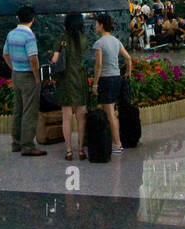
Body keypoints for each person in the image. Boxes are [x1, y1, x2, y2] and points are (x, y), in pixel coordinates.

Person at [5, 5, 45, 156]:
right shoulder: (29, 36)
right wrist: (37, 77)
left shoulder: (11, 34)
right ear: (32, 19)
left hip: (17, 75)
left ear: (18, 18)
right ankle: (28, 146)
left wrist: (14, 67)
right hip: (28, 76)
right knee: (29, 111)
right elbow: (33, 59)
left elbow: (5, 54)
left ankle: (16, 143)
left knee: (18, 110)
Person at [51, 11, 90, 161]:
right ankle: (80, 150)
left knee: (66, 118)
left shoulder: (61, 39)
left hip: (65, 82)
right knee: (81, 118)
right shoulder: (84, 39)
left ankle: (68, 151)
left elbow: (54, 59)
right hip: (80, 81)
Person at [92, 13, 133, 154]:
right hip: (116, 78)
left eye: (97, 23)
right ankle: (113, 140)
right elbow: (128, 58)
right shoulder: (116, 41)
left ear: (101, 25)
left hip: (106, 79)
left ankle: (117, 143)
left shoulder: (99, 43)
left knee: (110, 112)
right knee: (111, 111)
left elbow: (98, 65)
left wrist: (95, 83)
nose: (95, 26)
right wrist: (128, 72)